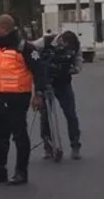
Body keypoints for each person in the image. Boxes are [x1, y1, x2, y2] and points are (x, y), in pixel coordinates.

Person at [0, 14, 46, 185]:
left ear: (3, 29)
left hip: (16, 98)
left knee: (19, 135)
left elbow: (39, 71)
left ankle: (21, 173)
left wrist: (39, 94)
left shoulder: (25, 48)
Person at [34, 29, 83, 160]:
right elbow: (31, 50)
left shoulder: (75, 46)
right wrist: (37, 64)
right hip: (46, 81)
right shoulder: (45, 41)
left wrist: (74, 69)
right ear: (61, 40)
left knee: (71, 114)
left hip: (63, 82)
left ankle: (75, 145)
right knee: (45, 115)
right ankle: (48, 147)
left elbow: (78, 60)